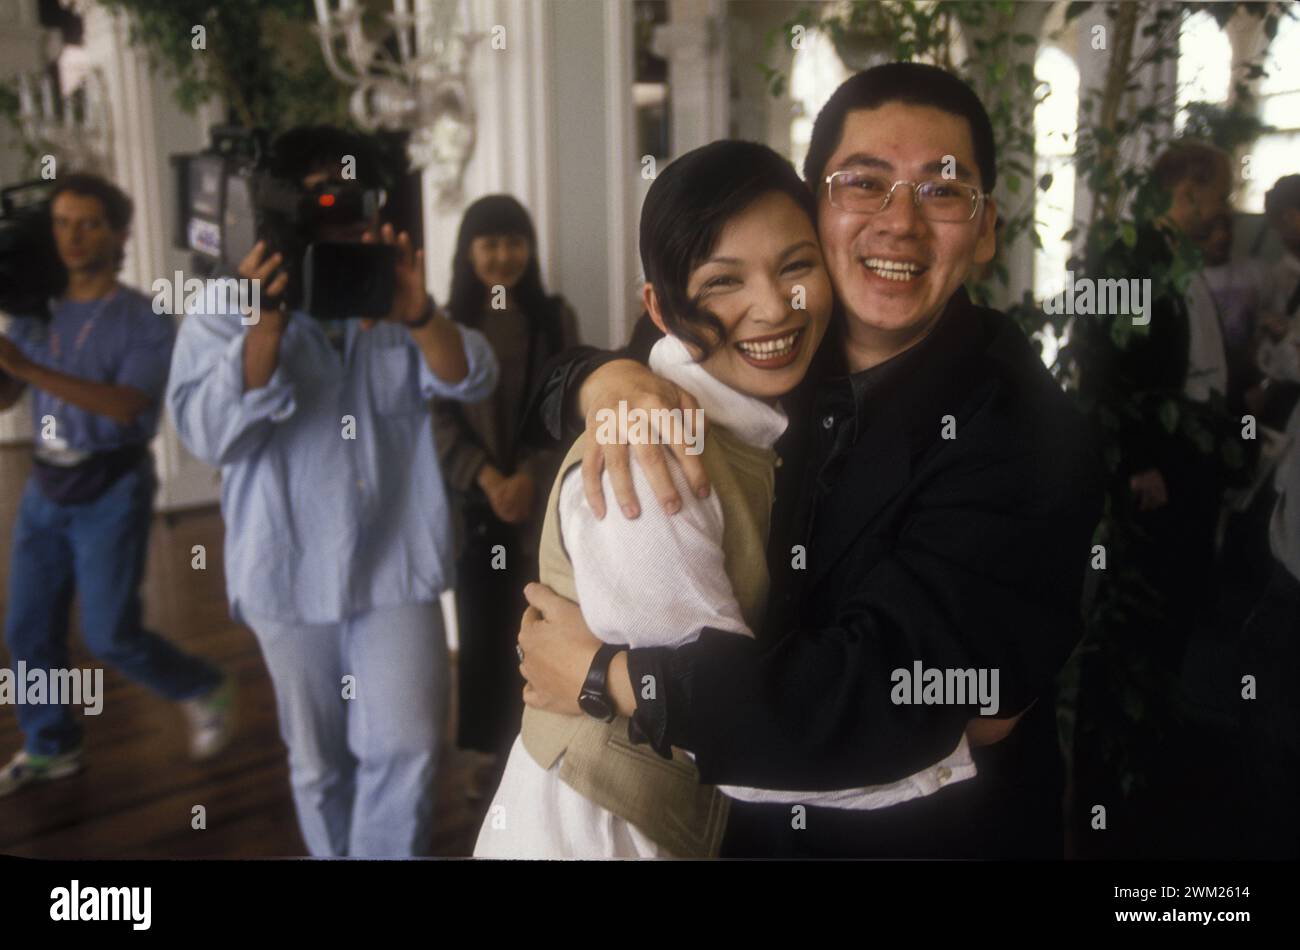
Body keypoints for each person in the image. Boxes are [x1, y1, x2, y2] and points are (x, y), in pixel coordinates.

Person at [514, 63, 1102, 858]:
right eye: (864, 183)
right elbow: (593, 376)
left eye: (943, 189)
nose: (900, 222)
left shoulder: (1026, 434)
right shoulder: (781, 341)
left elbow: (877, 702)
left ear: (988, 228)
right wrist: (600, 381)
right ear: (814, 207)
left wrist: (605, 679)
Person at [166, 126, 499, 857]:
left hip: (395, 562)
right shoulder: (227, 300)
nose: (335, 222)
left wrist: (418, 313)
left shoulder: (387, 289)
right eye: (315, 206)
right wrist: (264, 331)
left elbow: (472, 375)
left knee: (408, 745)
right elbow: (204, 433)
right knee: (319, 760)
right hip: (287, 568)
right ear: (273, 212)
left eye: (348, 203)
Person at [0, 173, 231, 798]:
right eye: (61, 223)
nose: (72, 237)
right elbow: (8, 396)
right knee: (27, 628)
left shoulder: (145, 318)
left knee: (109, 633)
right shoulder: (34, 308)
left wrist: (27, 365)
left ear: (119, 233)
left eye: (89, 223)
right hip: (46, 487)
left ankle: (199, 684)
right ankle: (53, 745)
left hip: (112, 488)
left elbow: (128, 408)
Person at [431, 196, 578, 797]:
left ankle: (541, 752)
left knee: (537, 628)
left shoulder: (553, 317)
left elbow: (567, 406)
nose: (502, 255)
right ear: (469, 252)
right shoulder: (447, 323)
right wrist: (488, 479)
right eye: (489, 243)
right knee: (486, 632)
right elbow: (436, 415)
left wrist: (528, 475)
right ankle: (496, 759)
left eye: (514, 241)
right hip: (475, 506)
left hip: (540, 505)